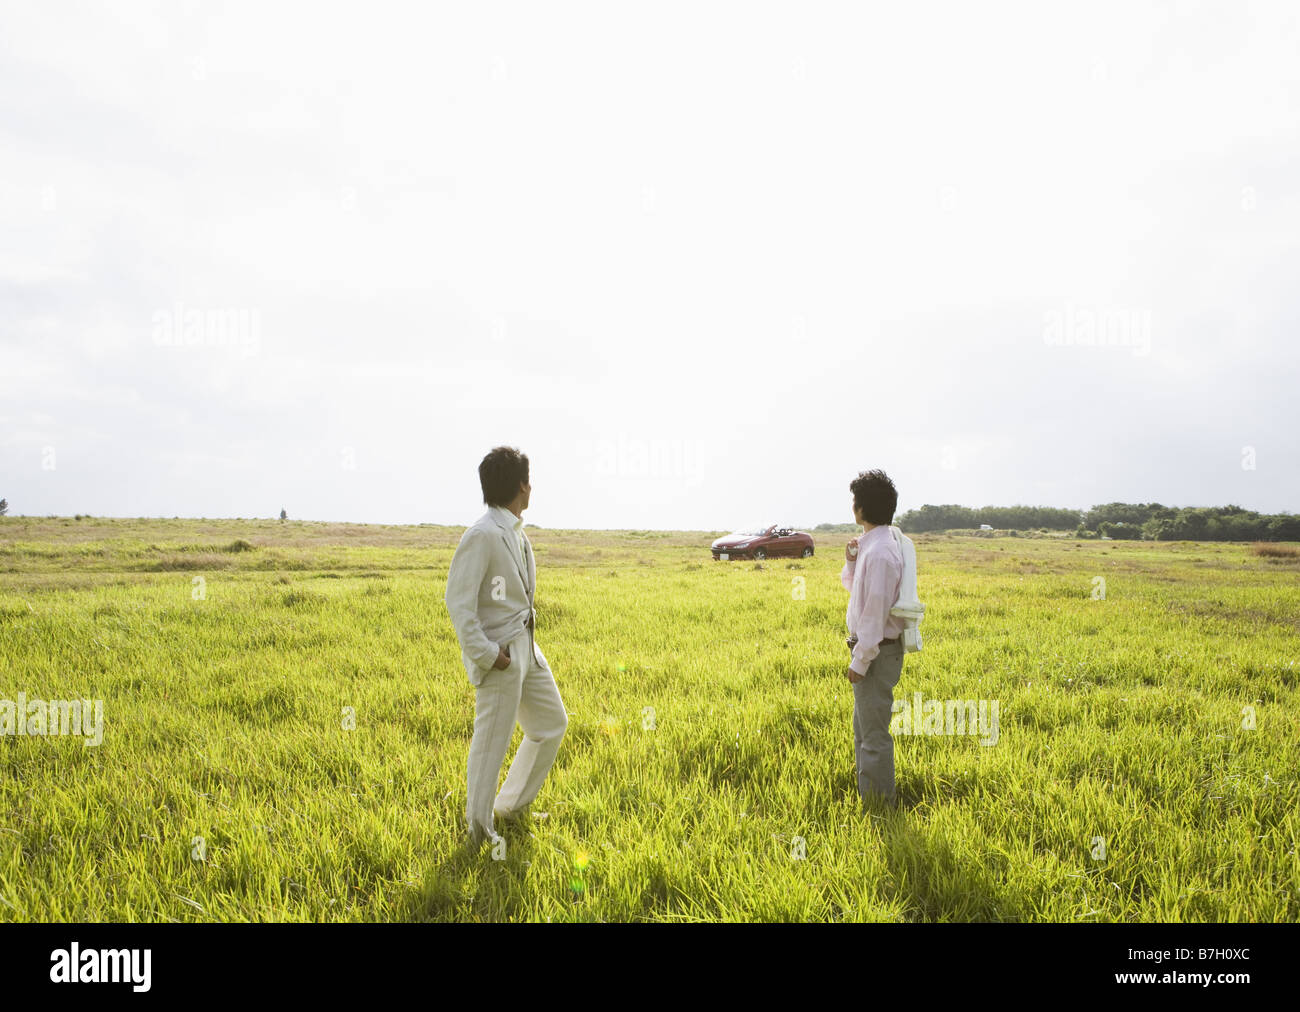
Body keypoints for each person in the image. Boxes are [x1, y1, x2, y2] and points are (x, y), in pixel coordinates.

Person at [444, 446, 568, 848]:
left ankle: (510, 806)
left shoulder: (515, 530)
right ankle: (478, 830)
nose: (532, 488)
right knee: (490, 745)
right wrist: (488, 655)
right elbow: (458, 603)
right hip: (501, 657)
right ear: (521, 486)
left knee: (551, 724)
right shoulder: (481, 535)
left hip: (528, 650)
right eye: (528, 481)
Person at [840, 468, 906, 809]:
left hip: (876, 654)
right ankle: (871, 800)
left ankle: (881, 809)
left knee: (874, 737)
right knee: (864, 732)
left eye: (855, 500)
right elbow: (858, 593)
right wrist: (851, 561)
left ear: (862, 509)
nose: (853, 506)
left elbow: (874, 613)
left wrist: (861, 659)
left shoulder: (880, 553)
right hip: (872, 652)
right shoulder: (874, 546)